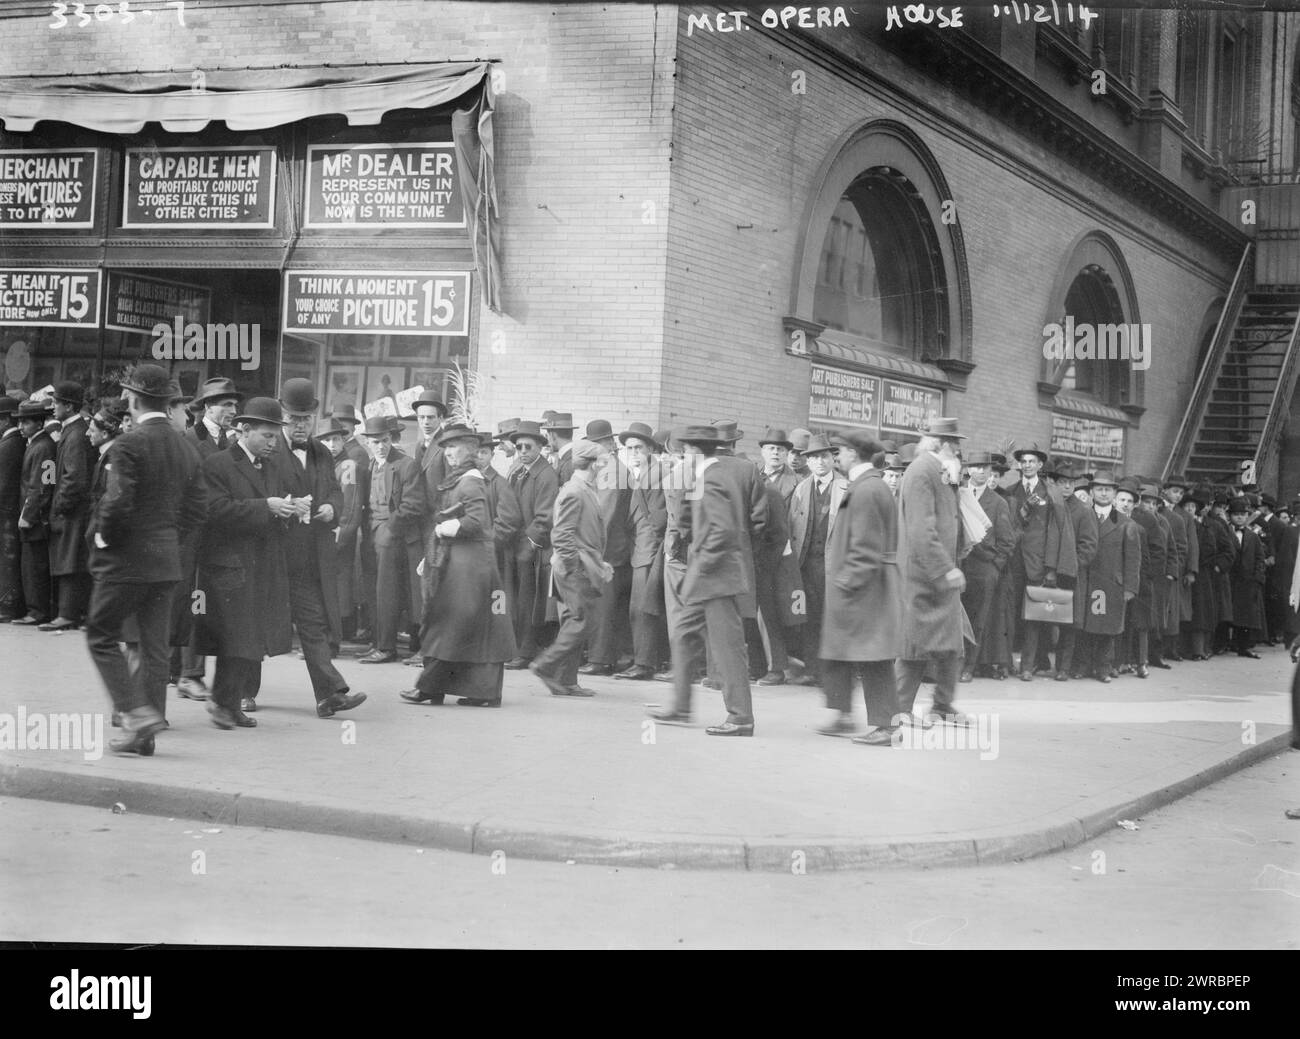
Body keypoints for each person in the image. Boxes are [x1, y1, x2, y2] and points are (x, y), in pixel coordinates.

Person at [84, 365, 206, 754]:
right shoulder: (186, 446)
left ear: (133, 401)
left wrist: (104, 538)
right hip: (166, 561)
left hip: (126, 563)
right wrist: (169, 539)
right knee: (155, 647)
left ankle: (135, 713)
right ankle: (146, 735)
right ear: (168, 403)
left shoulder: (128, 444)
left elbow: (117, 503)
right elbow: (197, 509)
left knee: (100, 636)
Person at [650, 424, 766, 736]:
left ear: (694, 451)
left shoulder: (711, 477)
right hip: (708, 577)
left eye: (685, 451)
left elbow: (722, 531)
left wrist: (700, 566)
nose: (682, 456)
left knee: (727, 649)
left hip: (714, 578)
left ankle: (741, 717)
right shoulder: (710, 475)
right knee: (684, 637)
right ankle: (681, 706)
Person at [266, 379, 366, 718]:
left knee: (313, 625)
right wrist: (283, 506)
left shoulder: (322, 452)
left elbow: (336, 492)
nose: (299, 425)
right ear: (282, 417)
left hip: (309, 558)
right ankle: (242, 693)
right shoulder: (270, 450)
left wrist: (331, 509)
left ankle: (330, 695)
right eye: (294, 418)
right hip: (274, 554)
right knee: (257, 623)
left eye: (306, 419)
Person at [398, 423, 517, 707]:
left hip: (470, 564)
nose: (448, 453)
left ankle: (430, 688)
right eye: (446, 448)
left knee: (449, 623)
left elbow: (477, 521)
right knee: (474, 627)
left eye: (454, 447)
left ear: (470, 449)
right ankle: (482, 692)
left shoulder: (470, 479)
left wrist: (445, 529)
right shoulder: (464, 478)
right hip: (466, 561)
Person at [195, 397, 296, 730]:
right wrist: (267, 506)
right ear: (244, 430)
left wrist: (288, 511)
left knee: (248, 638)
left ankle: (228, 702)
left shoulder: (270, 466)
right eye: (267, 435)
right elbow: (214, 511)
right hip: (229, 567)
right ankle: (223, 702)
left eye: (276, 436)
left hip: (260, 564)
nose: (273, 442)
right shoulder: (218, 464)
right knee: (234, 637)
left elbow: (269, 508)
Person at [814, 430, 902, 744]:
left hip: (862, 588)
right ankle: (843, 714)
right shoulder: (869, 486)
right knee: (840, 652)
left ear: (854, 454)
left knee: (872, 658)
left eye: (840, 451)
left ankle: (886, 726)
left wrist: (847, 580)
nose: (836, 455)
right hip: (861, 587)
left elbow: (866, 546)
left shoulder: (866, 490)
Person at [895, 417, 970, 722]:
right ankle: (897, 710)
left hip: (937, 573)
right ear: (943, 444)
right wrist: (945, 569)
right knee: (915, 646)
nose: (959, 449)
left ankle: (942, 705)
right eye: (956, 443)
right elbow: (921, 530)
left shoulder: (939, 470)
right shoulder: (922, 471)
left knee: (951, 643)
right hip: (923, 574)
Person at [530, 439, 611, 697]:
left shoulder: (583, 489)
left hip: (576, 564)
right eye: (602, 461)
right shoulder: (575, 491)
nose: (605, 465)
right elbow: (562, 534)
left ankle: (566, 681)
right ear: (593, 463)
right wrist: (576, 566)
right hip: (574, 568)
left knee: (572, 621)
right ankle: (545, 665)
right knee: (582, 620)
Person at [357, 415, 426, 664]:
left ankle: (386, 648)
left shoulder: (406, 465)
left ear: (391, 439)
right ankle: (378, 642)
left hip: (395, 536)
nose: (380, 446)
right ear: (367, 443)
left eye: (384, 440)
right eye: (375, 442)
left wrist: (389, 529)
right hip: (371, 533)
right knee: (374, 591)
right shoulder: (369, 466)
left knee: (387, 592)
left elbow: (413, 504)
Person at [1006, 441, 1076, 680]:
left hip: (1038, 564)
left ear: (1040, 465)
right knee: (1011, 612)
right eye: (1023, 461)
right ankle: (1007, 662)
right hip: (1013, 562)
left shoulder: (1051, 493)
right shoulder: (1012, 491)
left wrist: (1051, 568)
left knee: (1034, 616)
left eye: (1031, 462)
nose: (1027, 465)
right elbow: (1007, 526)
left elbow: (1056, 532)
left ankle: (1028, 666)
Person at [788, 434, 848, 687]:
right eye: (813, 458)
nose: (820, 462)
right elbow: (792, 525)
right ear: (808, 462)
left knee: (833, 620)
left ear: (833, 459)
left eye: (824, 456)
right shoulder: (801, 489)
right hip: (807, 566)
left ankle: (833, 674)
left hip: (834, 566)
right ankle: (813, 670)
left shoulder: (846, 488)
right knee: (810, 618)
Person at [503, 420, 559, 668]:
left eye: (528, 446)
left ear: (540, 447)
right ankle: (513, 647)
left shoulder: (546, 475)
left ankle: (526, 650)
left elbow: (545, 516)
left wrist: (528, 544)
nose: (523, 451)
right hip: (514, 544)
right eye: (519, 447)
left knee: (528, 601)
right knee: (513, 599)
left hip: (533, 549)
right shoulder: (516, 470)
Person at [1075, 472, 1140, 681]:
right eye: (1099, 489)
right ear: (1092, 492)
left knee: (1107, 628)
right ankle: (1083, 665)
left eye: (1108, 489)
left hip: (1111, 583)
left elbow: (1132, 559)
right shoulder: (1083, 516)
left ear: (1114, 494)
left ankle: (1103, 667)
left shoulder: (1125, 523)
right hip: (1086, 580)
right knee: (1085, 625)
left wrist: (1130, 587)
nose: (1103, 493)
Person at [959, 450, 1016, 683]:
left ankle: (968, 667)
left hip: (983, 568)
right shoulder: (958, 495)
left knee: (977, 619)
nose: (980, 471)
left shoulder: (998, 502)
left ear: (992, 471)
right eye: (975, 467)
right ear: (967, 470)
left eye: (985, 468)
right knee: (955, 617)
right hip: (958, 565)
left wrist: (994, 566)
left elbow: (1007, 542)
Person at [41, 381, 94, 632]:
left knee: (70, 560)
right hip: (73, 510)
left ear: (69, 406)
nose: (53, 408)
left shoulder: (74, 435)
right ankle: (70, 613)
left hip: (72, 512)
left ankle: (68, 614)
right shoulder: (75, 431)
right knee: (69, 559)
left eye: (57, 403)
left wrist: (60, 506)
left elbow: (74, 477)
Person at [619, 422, 668, 680]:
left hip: (649, 549)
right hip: (638, 548)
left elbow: (658, 520)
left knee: (642, 608)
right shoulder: (636, 474)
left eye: (639, 447)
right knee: (638, 607)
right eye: (629, 448)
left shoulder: (656, 474)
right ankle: (643, 660)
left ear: (650, 449)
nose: (634, 452)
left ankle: (645, 663)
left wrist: (652, 550)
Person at [317, 419, 364, 645]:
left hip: (337, 536)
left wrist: (340, 535)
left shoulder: (347, 466)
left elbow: (350, 505)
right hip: (322, 534)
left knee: (337, 590)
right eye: (326, 439)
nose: (332, 444)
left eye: (336, 439)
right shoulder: (322, 464)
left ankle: (332, 641)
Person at [14, 399, 56, 626]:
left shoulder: (42, 447)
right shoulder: (38, 444)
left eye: (26, 422)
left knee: (34, 566)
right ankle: (35, 609)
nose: (21, 427)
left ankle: (37, 611)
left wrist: (28, 515)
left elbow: (41, 486)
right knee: (30, 565)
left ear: (39, 423)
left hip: (35, 518)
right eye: (20, 422)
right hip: (33, 515)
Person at [1227, 496, 1267, 657]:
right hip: (1230, 579)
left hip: (1248, 581)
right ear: (1230, 516)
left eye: (1243, 514)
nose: (1239, 517)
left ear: (1247, 516)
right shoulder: (1226, 533)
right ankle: (1225, 643)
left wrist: (1257, 577)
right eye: (1236, 514)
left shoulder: (1252, 536)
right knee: (1229, 613)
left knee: (1246, 615)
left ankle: (1243, 646)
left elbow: (1260, 558)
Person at [0, 396, 25, 622]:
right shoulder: (14, 442)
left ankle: (7, 605)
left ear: (6, 420)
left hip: (6, 513)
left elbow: (4, 484)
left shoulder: (8, 445)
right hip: (10, 510)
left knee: (7, 559)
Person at [185, 378, 241, 456]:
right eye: (227, 405)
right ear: (208, 407)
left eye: (235, 406)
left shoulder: (234, 440)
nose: (234, 412)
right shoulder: (190, 437)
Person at [544, 412, 578, 484]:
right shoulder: (575, 454)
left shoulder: (568, 462)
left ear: (553, 435)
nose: (548, 440)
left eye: (548, 436)